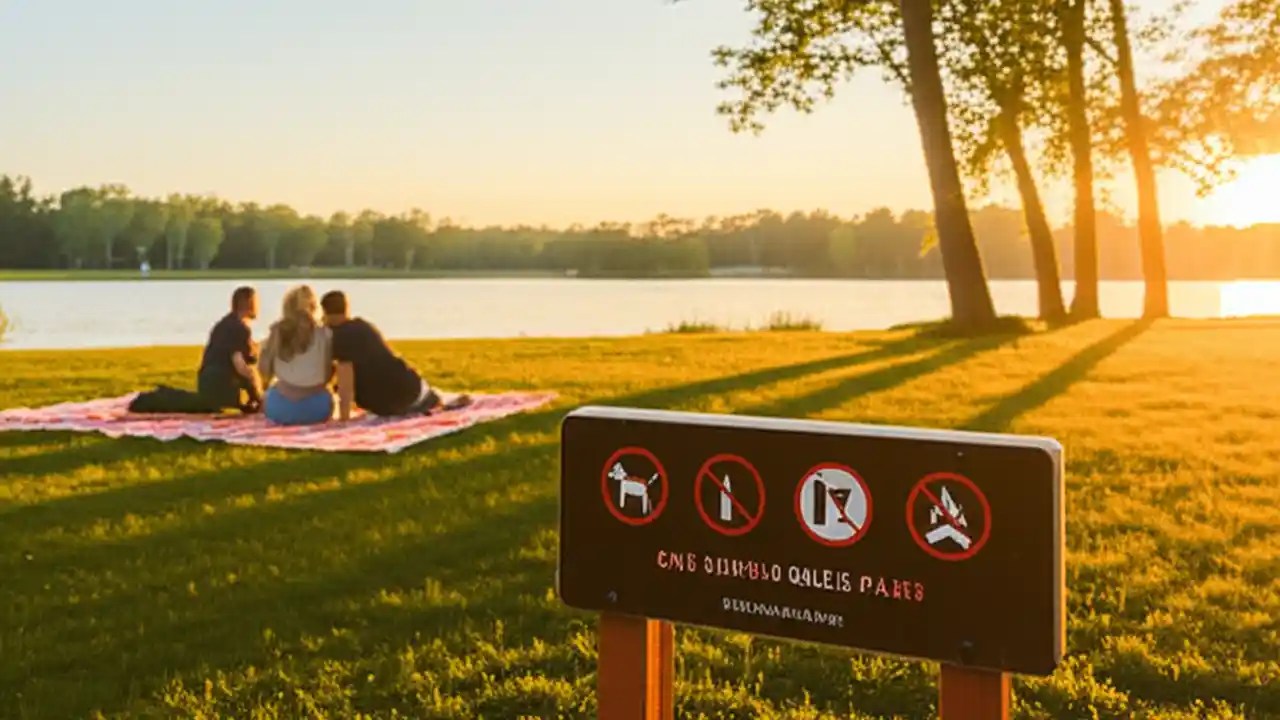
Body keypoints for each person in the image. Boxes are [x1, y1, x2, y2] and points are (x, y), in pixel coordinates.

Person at [320, 289, 470, 420]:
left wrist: (344, 419)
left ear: (326, 313)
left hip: (390, 404)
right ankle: (436, 401)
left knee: (342, 386)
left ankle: (434, 402)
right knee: (425, 398)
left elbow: (345, 385)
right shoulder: (363, 326)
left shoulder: (340, 337)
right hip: (412, 388)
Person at [258, 285, 335, 425]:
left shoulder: (276, 332)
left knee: (271, 393)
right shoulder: (325, 334)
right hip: (316, 409)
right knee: (328, 394)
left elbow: (265, 371)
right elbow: (327, 375)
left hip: (279, 408)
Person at [196, 286, 264, 413]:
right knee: (250, 372)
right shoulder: (240, 328)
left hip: (205, 385)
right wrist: (258, 396)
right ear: (250, 303)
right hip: (221, 386)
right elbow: (240, 365)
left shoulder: (223, 324)